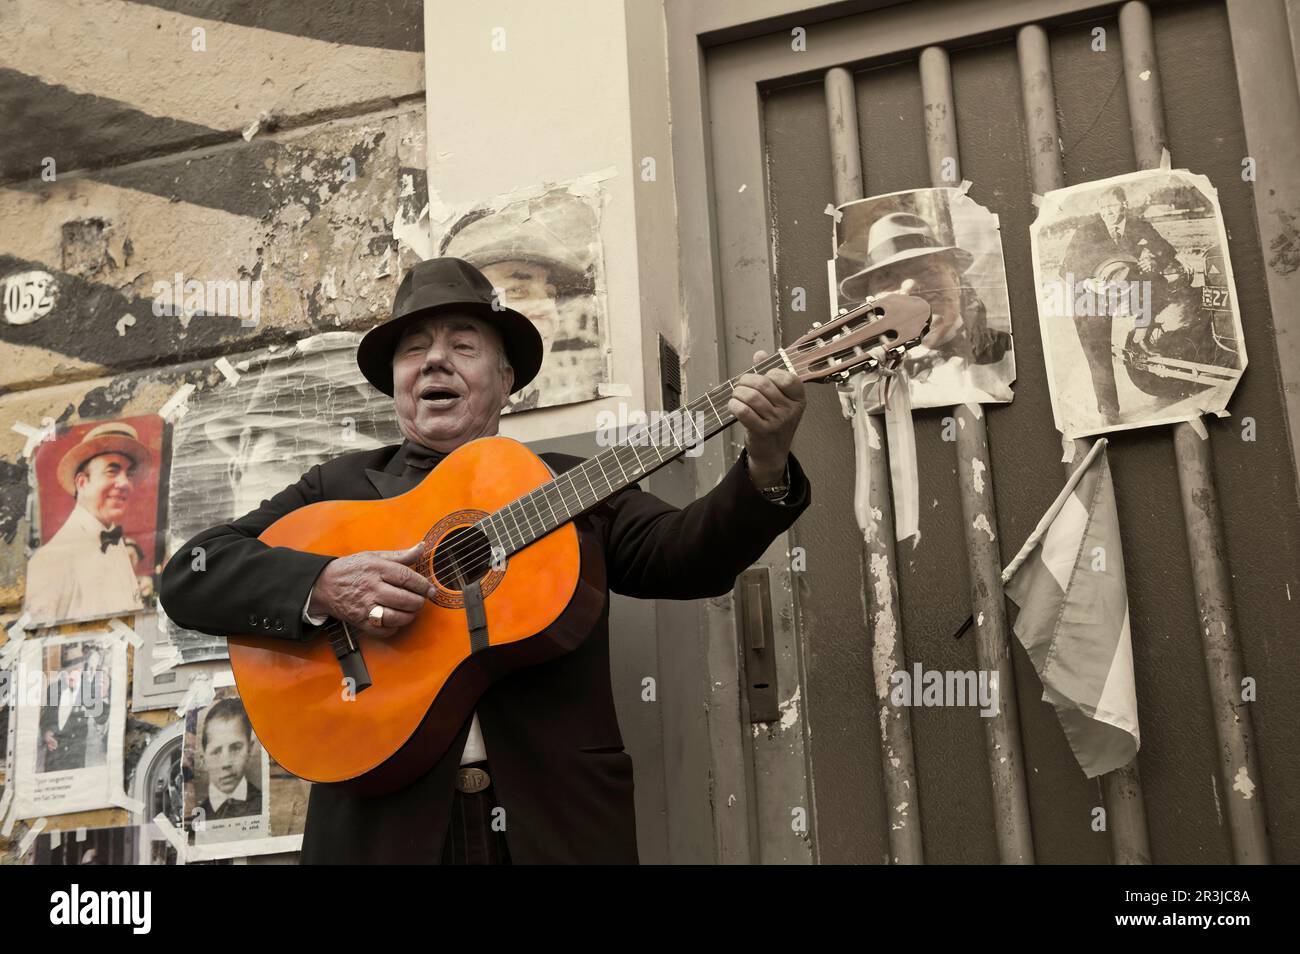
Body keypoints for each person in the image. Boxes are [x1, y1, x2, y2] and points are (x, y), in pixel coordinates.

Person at [160, 256, 811, 864]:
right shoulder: (338, 489)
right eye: (414, 350)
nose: (435, 361)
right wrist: (323, 583)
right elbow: (194, 573)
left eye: (463, 345)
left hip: (552, 826)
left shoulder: (568, 488)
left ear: (507, 382)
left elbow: (687, 557)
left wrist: (765, 466)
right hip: (384, 836)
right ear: (395, 384)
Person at [839, 212, 1010, 400]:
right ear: (873, 300)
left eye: (927, 271)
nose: (910, 287)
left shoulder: (1007, 354)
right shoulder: (858, 381)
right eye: (887, 277)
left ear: (955, 280)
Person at [1060, 185, 1180, 423]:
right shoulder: (1087, 231)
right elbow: (1066, 268)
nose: (1107, 212)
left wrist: (1153, 258)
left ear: (1124, 204)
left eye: (1112, 206)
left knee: (1160, 291)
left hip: (1135, 287)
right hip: (1095, 290)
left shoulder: (1140, 226)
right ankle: (1108, 408)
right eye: (1103, 208)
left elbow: (1168, 250)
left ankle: (1143, 337)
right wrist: (1088, 283)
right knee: (1094, 339)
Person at [25, 422, 152, 624]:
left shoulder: (119, 546)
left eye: (128, 474)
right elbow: (41, 646)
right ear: (82, 483)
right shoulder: (50, 559)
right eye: (112, 471)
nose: (125, 483)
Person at [194, 698, 263, 822]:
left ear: (250, 749)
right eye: (216, 752)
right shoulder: (195, 817)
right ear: (203, 760)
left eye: (236, 748)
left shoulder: (265, 804)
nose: (226, 763)